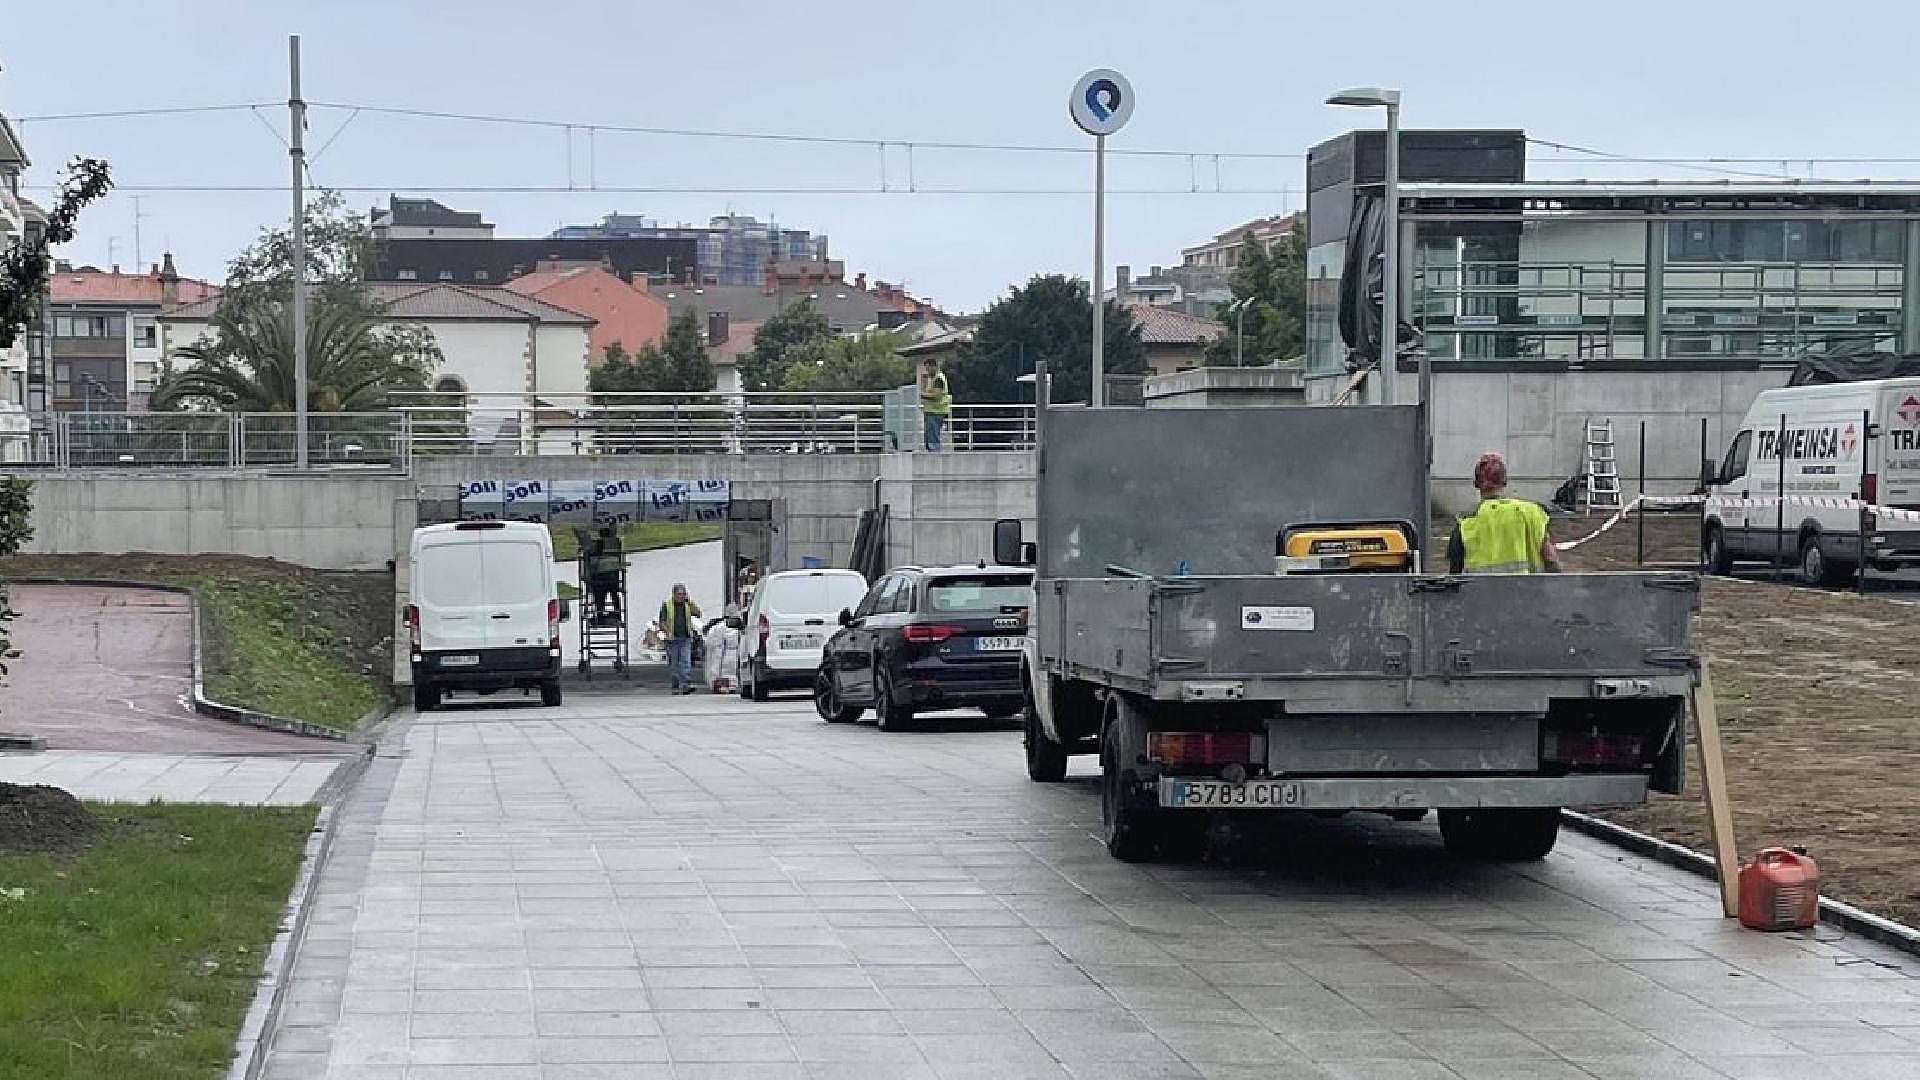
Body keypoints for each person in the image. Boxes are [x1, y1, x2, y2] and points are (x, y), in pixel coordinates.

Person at [1447, 452, 1563, 574]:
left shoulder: (1466, 520)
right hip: (1527, 591)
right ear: (1505, 481)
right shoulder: (1532, 512)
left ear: (1476, 483)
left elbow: (1455, 572)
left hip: (1481, 592)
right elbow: (1550, 560)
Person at [657, 583, 704, 693]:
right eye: (679, 594)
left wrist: (691, 602)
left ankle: (686, 683)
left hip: (685, 636)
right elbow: (662, 622)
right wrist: (668, 633)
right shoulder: (666, 605)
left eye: (683, 594)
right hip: (672, 638)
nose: (681, 597)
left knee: (686, 661)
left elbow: (698, 613)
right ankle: (675, 685)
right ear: (673, 594)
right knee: (674, 663)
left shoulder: (687, 604)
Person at [585, 524, 625, 624]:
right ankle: (618, 615)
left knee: (599, 596)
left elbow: (591, 556)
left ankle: (600, 617)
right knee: (615, 595)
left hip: (601, 577)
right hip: (614, 576)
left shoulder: (599, 544)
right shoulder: (616, 542)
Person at [702, 605, 743, 693]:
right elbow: (717, 647)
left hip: (733, 652)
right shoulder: (721, 627)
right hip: (726, 653)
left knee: (731, 669)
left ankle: (731, 685)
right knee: (725, 668)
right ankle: (722, 684)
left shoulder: (724, 627)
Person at [919, 356, 951, 452]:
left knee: (933, 438)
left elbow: (936, 396)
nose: (927, 371)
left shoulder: (938, 379)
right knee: (930, 437)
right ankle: (933, 454)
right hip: (933, 411)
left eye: (928, 368)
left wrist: (923, 395)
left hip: (936, 411)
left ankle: (935, 458)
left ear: (934, 367)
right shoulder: (934, 379)